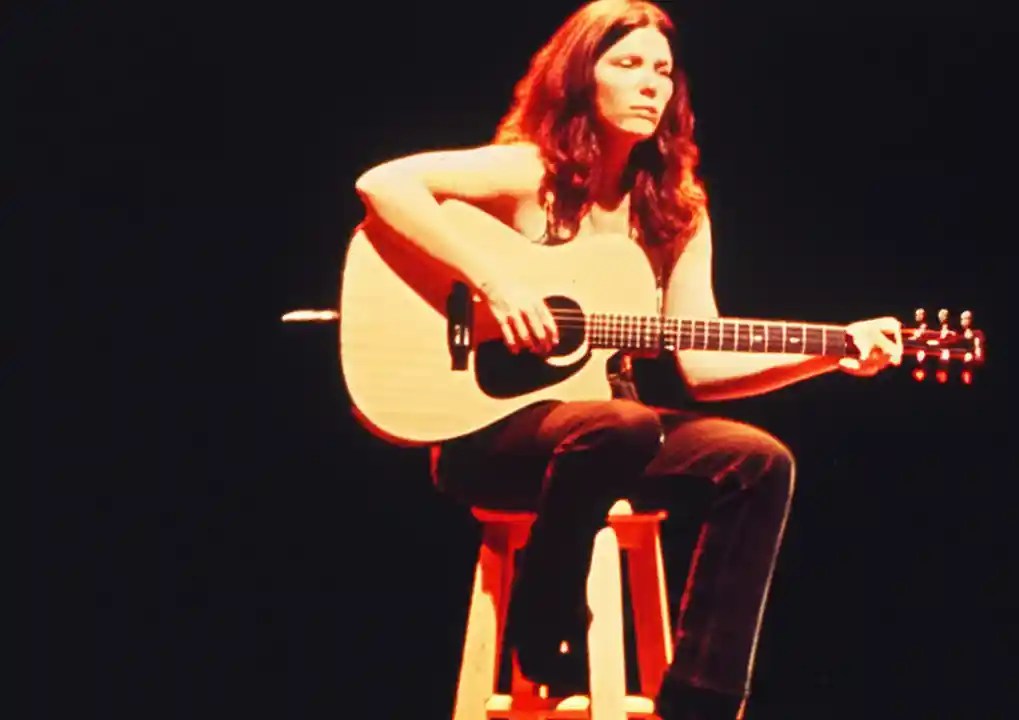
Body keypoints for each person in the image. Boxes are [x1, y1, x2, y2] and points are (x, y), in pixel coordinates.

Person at [353, 2, 904, 718]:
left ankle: (702, 699)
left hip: (606, 438)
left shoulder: (676, 209)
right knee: (624, 424)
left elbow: (700, 363)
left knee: (759, 462)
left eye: (664, 72)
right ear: (583, 77)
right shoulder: (529, 172)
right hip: (493, 436)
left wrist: (831, 353)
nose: (651, 85)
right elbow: (383, 184)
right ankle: (545, 615)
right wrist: (500, 284)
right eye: (628, 64)